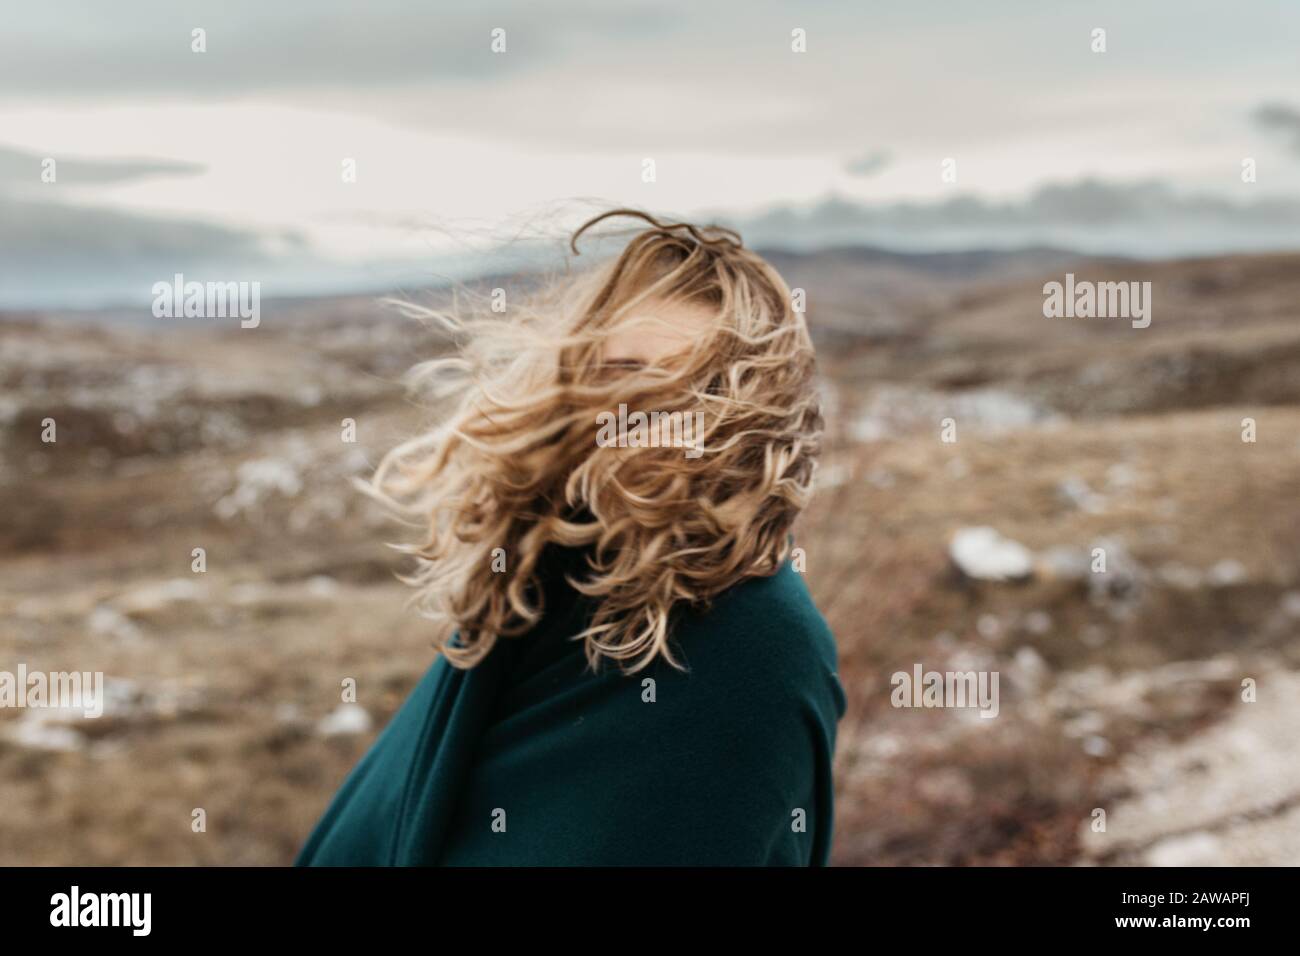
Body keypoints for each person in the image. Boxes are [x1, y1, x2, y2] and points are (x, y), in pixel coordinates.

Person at [295, 209, 846, 866]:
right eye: (623, 372)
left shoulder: (761, 645)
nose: (648, 412)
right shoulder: (534, 587)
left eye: (696, 387)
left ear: (753, 419)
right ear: (575, 388)